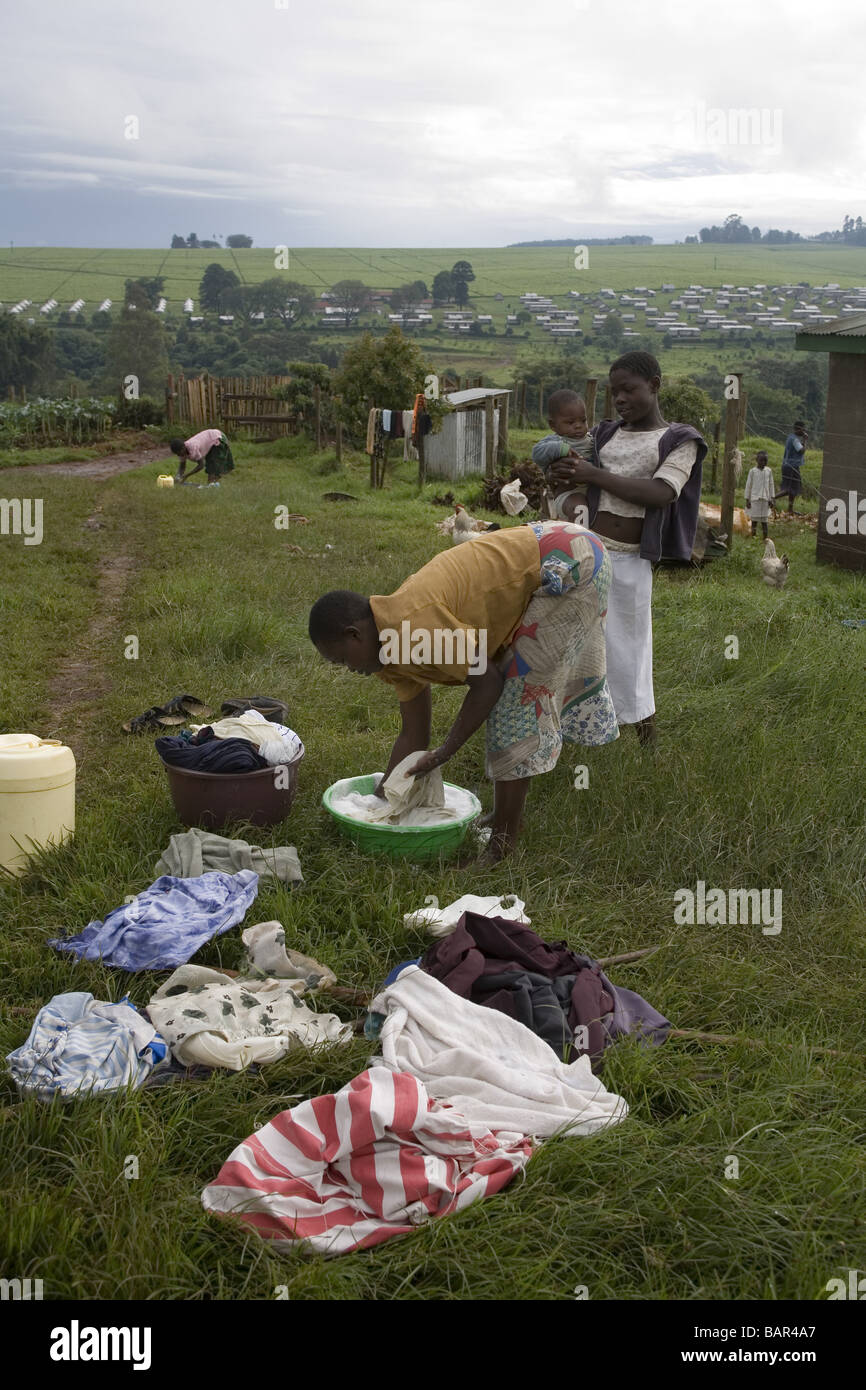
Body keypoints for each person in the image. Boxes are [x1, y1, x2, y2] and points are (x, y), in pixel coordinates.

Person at [309, 522, 619, 860]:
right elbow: (414, 734)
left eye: (342, 660)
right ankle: (505, 821)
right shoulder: (390, 654)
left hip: (570, 561)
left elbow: (486, 684)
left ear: (355, 634)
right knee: (513, 693)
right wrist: (382, 796)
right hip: (555, 551)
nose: (350, 670)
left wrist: (445, 751)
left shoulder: (411, 630)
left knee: (513, 706)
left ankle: (503, 845)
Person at [544, 352, 706, 747]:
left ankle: (645, 736)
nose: (620, 399)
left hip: (630, 559)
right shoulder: (603, 434)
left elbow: (661, 493)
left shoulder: (679, 440)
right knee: (575, 643)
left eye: (629, 389)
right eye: (615, 392)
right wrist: (560, 472)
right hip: (586, 553)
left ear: (655, 385)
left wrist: (593, 474)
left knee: (629, 648)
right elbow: (568, 465)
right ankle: (568, 730)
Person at [531, 389, 593, 523]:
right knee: (580, 508)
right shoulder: (555, 441)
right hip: (568, 494)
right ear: (553, 425)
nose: (578, 426)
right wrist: (562, 449)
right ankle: (581, 540)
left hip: (592, 492)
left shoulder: (592, 439)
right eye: (570, 422)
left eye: (583, 420)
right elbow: (536, 453)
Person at [170, 428, 234, 487]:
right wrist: (178, 477)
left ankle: (212, 485)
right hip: (211, 439)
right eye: (177, 454)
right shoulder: (182, 453)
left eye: (179, 453)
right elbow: (182, 467)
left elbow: (201, 465)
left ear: (183, 447)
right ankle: (212, 485)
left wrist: (186, 476)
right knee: (211, 466)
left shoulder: (193, 447)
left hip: (217, 437)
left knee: (213, 464)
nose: (178, 455)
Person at [776, 421, 807, 513]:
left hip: (792, 466)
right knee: (788, 489)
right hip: (790, 467)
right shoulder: (795, 439)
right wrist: (805, 440)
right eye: (803, 429)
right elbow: (801, 450)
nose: (804, 431)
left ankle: (790, 509)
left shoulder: (791, 437)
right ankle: (772, 498)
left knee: (794, 487)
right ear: (798, 429)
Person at [744, 450, 775, 539]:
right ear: (757, 460)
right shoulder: (752, 471)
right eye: (761, 460)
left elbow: (771, 485)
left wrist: (772, 498)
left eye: (765, 460)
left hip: (765, 500)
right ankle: (754, 537)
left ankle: (765, 538)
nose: (763, 462)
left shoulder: (768, 471)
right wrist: (747, 499)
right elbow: (748, 485)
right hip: (755, 500)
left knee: (764, 521)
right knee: (754, 521)